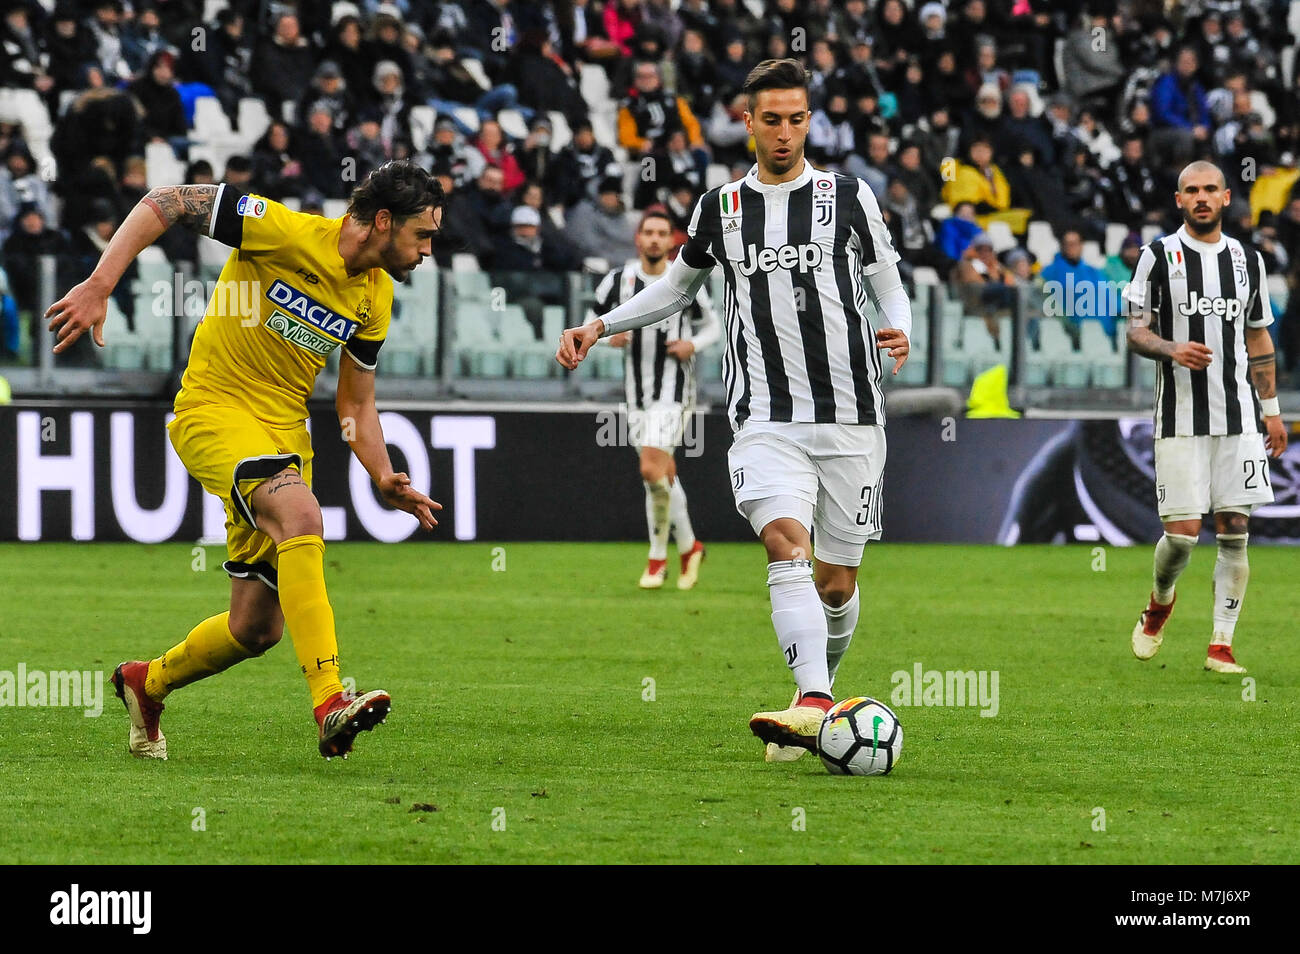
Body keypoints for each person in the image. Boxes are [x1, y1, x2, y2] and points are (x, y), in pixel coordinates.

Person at [557, 59, 911, 760]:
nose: (784, 132)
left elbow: (887, 282)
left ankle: (821, 689)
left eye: (796, 118)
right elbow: (675, 291)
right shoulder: (721, 208)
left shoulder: (848, 197)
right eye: (771, 119)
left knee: (838, 586)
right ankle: (811, 700)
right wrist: (602, 323)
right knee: (785, 543)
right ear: (747, 123)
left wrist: (902, 326)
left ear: (810, 120)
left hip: (851, 416)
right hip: (764, 418)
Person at [45, 161, 445, 759]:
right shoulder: (281, 231)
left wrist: (382, 474)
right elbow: (171, 199)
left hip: (285, 435)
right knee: (302, 516)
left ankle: (145, 683)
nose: (427, 252)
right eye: (423, 235)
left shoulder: (375, 296)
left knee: (256, 627)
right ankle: (330, 701)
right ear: (382, 221)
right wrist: (101, 283)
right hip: (214, 407)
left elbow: (356, 404)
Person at [1123, 160, 1288, 674]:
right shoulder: (1157, 256)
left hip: (1239, 418)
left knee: (1236, 527)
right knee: (1183, 536)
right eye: (1191, 190)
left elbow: (1259, 335)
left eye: (1210, 189)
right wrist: (1172, 349)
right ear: (1179, 200)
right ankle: (1160, 601)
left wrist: (1273, 411)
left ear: (1224, 197)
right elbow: (1134, 330)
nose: (1201, 197)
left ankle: (1221, 644)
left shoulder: (1248, 260)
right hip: (1179, 419)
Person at [591, 209, 719, 589]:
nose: (654, 239)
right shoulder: (618, 281)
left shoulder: (686, 277)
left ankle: (656, 558)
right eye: (648, 232)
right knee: (661, 475)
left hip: (674, 391)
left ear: (671, 240)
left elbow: (715, 324)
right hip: (635, 395)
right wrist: (604, 337)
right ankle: (690, 547)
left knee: (650, 469)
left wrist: (692, 343)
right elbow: (589, 320)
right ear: (638, 238)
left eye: (662, 233)